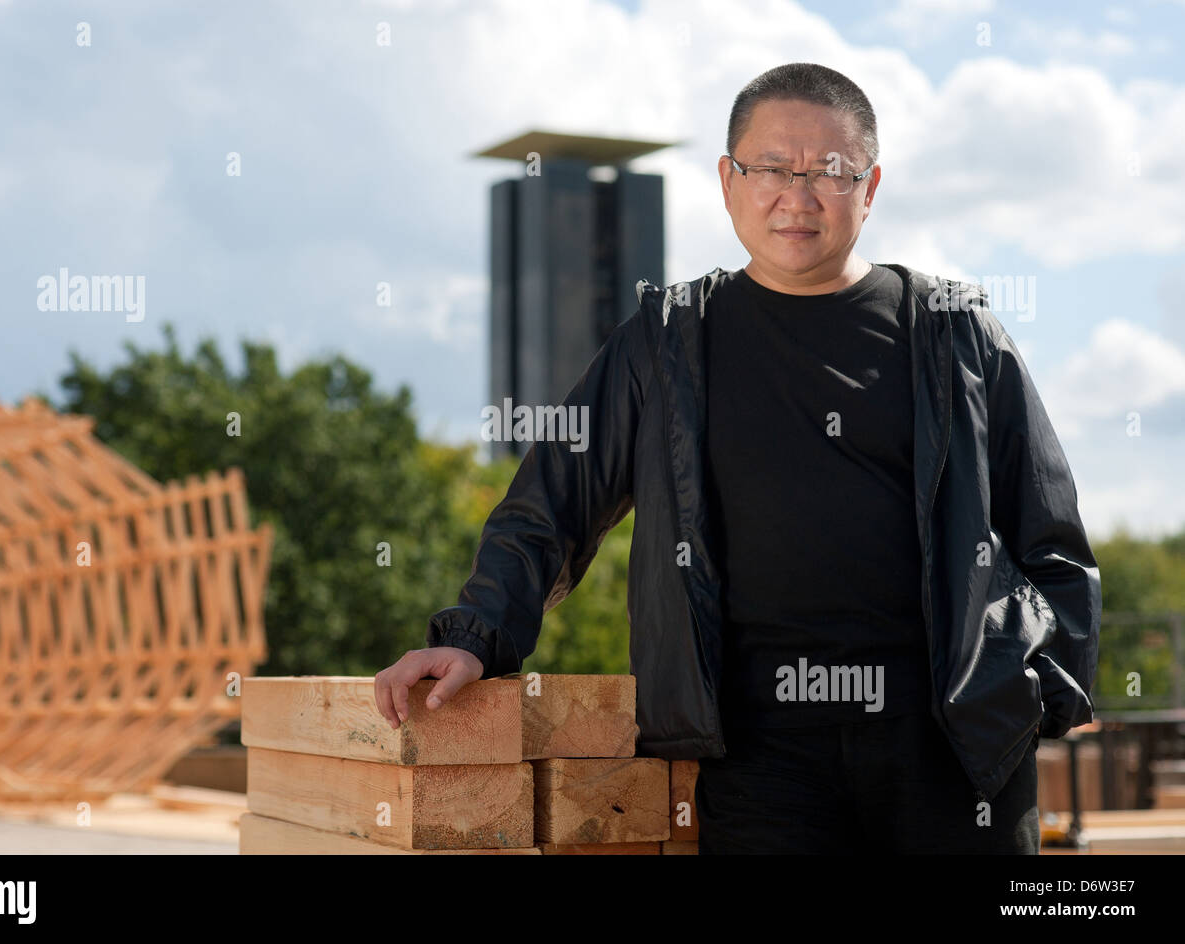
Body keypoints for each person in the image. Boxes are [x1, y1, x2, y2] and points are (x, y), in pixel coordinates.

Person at [374, 62, 1101, 854]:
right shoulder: (666, 340)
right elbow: (551, 502)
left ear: (871, 185)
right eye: (769, 169)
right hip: (760, 760)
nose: (798, 194)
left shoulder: (956, 333)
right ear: (728, 181)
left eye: (830, 170)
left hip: (950, 749)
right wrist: (475, 634)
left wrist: (1042, 693)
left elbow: (1051, 532)